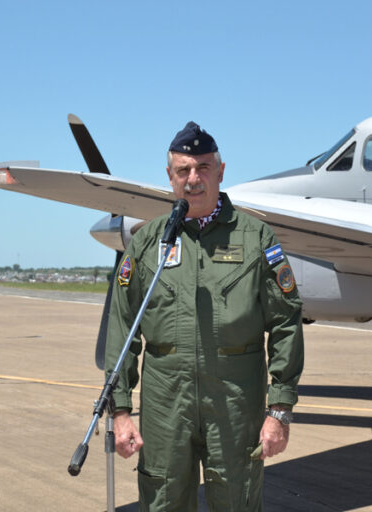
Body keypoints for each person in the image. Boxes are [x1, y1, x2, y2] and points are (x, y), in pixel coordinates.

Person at [105, 121, 304, 511]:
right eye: (183, 170)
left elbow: (285, 322)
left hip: (235, 401)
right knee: (161, 499)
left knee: (236, 500)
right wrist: (122, 411)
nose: (193, 179)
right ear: (170, 176)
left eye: (203, 168)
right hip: (166, 401)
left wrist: (279, 411)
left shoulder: (255, 238)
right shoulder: (149, 243)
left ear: (220, 171)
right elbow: (123, 327)